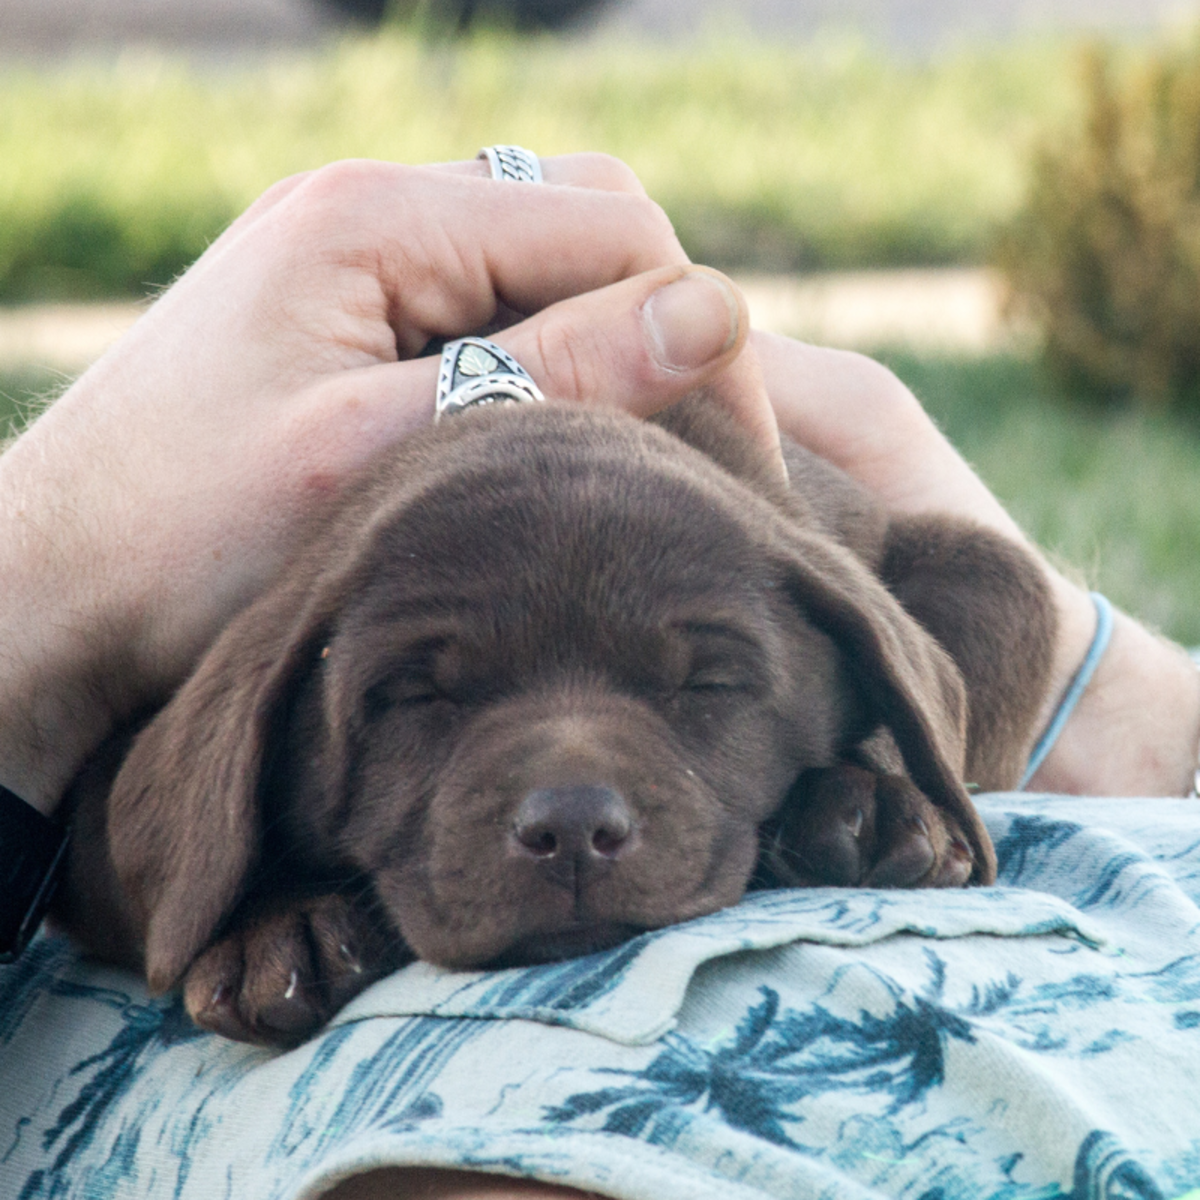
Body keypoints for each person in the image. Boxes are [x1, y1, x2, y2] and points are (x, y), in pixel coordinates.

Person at [2, 152, 1198, 1200]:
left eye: (704, 684)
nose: (574, 804)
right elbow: (129, 828)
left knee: (991, 597)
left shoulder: (816, 572)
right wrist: (245, 911)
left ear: (854, 667)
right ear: (256, 719)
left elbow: (975, 593)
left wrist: (891, 779)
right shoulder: (242, 616)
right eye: (422, 693)